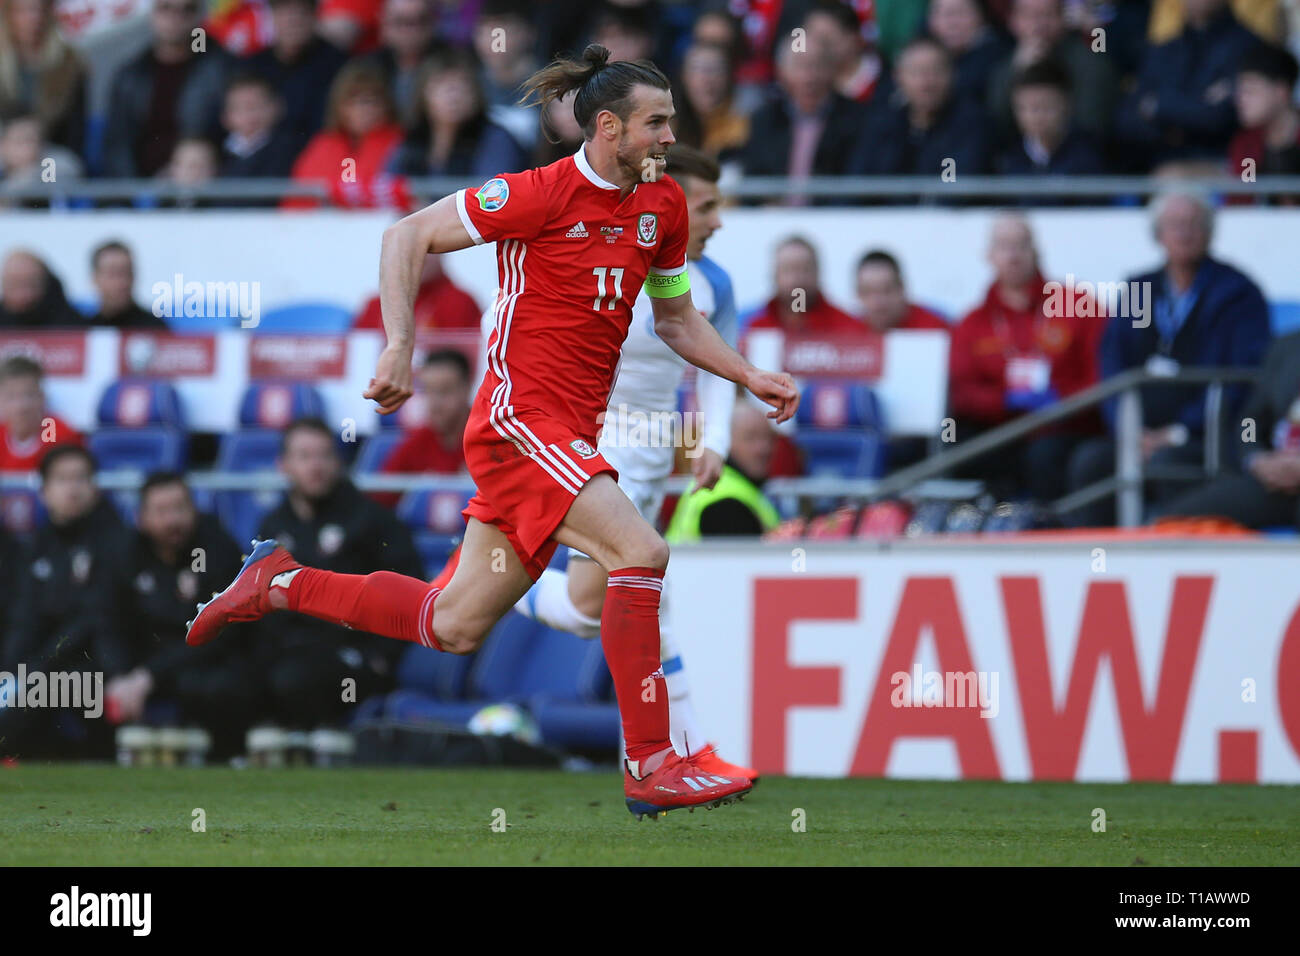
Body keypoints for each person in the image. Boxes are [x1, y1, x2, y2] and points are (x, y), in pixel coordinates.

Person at [186, 44, 798, 818]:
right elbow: (405, 236)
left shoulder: (663, 206)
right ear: (608, 128)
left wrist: (748, 375)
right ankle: (652, 762)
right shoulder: (535, 193)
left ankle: (279, 582)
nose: (670, 137)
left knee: (453, 624)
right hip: (518, 423)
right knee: (640, 552)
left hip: (569, 434)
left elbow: (677, 320)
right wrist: (401, 344)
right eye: (658, 123)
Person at [508, 143, 754, 777]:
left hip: (652, 450)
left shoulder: (710, 281)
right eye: (705, 207)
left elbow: (715, 363)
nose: (715, 221)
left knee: (621, 606)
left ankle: (680, 752)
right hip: (596, 441)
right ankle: (673, 755)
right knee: (625, 599)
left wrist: (715, 439)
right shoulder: (606, 254)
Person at [1065, 190, 1273, 524]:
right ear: (1159, 234)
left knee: (1169, 465)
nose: (1185, 233)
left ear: (1209, 232)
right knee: (1091, 461)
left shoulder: (1238, 293)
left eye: (1194, 224)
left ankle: (1170, 557)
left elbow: (1242, 378)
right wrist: (1130, 429)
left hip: (1206, 437)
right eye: (1175, 225)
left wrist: (1177, 432)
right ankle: (1100, 559)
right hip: (1138, 432)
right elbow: (1113, 364)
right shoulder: (1140, 289)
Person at [249, 418, 424, 728]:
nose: (316, 466)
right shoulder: (272, 526)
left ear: (338, 462)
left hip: (352, 655)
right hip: (287, 650)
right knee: (230, 679)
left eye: (324, 455)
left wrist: (381, 656)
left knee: (293, 680)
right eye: (304, 456)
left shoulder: (372, 520)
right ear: (283, 465)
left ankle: (316, 748)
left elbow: (411, 589)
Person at [948, 213, 1104, 500]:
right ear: (989, 255)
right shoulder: (973, 322)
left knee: (1045, 455)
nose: (1013, 255)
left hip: (1066, 427)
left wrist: (1061, 401)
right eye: (1004, 246)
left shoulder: (1078, 304)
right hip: (1001, 429)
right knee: (955, 443)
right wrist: (1004, 401)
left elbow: (1102, 375)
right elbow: (962, 391)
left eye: (1021, 245)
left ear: (1036, 251)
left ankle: (1049, 537)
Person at [106, 473, 258, 756]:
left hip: (205, 661)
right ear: (141, 517)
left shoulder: (218, 548)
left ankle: (226, 760)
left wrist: (149, 676)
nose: (172, 520)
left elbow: (220, 632)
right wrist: (119, 675)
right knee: (81, 681)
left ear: (194, 510)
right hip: (142, 664)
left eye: (180, 508)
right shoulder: (124, 552)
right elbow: (109, 621)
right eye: (161, 511)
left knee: (214, 686)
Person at [0, 446, 128, 758]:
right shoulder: (34, 546)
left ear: (95, 487)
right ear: (43, 491)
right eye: (62, 479)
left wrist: (35, 668)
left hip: (99, 665)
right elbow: (24, 618)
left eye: (81, 478)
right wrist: (10, 671)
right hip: (43, 666)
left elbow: (96, 616)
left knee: (46, 689)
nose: (73, 488)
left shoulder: (118, 542)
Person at [1152, 330, 1300, 528]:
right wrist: (1256, 458)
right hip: (1274, 480)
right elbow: (1251, 419)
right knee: (1175, 520)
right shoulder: (1287, 346)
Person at [1114, 0, 1258, 172]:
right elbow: (1126, 120)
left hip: (1225, 169)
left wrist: (1157, 107)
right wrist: (1171, 130)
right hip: (1158, 166)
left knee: (1171, 176)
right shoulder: (1162, 51)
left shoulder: (1250, 48)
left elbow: (1221, 117)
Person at [102, 0, 229, 178]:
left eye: (187, 9)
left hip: (202, 181)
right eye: (166, 8)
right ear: (152, 13)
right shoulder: (130, 74)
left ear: (199, 15)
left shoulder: (221, 68)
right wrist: (131, 195)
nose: (175, 17)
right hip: (143, 188)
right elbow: (117, 145)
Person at [849, 36, 992, 178]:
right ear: (898, 77)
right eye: (916, 72)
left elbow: (954, 185)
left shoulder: (970, 124)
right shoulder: (882, 126)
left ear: (953, 74)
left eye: (936, 71)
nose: (926, 83)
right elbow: (858, 185)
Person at [985, 0, 1119, 145]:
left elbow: (1092, 126)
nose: (1038, 24)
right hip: (1016, 160)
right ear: (1012, 22)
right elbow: (994, 126)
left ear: (1063, 19)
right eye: (1029, 15)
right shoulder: (1003, 64)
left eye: (1047, 15)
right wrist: (1014, 73)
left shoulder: (1091, 64)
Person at [384, 49, 528, 178]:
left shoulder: (497, 138)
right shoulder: (410, 140)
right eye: (441, 84)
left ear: (476, 94)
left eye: (462, 84)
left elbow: (491, 198)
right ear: (423, 95)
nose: (453, 95)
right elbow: (387, 189)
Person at [284, 61, 404, 209]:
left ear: (386, 105)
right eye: (353, 101)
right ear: (339, 105)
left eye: (371, 101)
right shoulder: (322, 146)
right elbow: (298, 200)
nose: (363, 110)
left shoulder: (401, 144)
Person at [666, 401, 782, 540]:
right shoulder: (725, 503)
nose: (764, 448)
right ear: (725, 441)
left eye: (768, 438)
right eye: (750, 438)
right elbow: (740, 559)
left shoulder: (726, 484)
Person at [245, 0, 348, 148]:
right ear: (272, 16)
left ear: (315, 16)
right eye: (284, 11)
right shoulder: (253, 66)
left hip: (317, 153)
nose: (293, 19)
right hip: (263, 157)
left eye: (301, 11)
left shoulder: (339, 64)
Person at [0, 0, 88, 157]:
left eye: (39, 11)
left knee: (60, 170)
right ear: (9, 15)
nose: (33, 19)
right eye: (23, 11)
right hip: (5, 157)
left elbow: (75, 138)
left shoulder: (70, 65)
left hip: (51, 156)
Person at [997, 60, 1105, 182]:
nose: (1036, 116)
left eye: (1046, 106)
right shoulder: (1009, 159)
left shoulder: (1089, 155)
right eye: (1026, 108)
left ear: (1067, 105)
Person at [744, 236, 867, 335]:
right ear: (775, 275)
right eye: (788, 270)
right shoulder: (754, 330)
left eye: (805, 269)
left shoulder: (849, 329)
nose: (797, 279)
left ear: (818, 273)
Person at [380, 348, 472, 478]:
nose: (435, 402)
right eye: (427, 391)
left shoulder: (490, 437)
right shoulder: (416, 443)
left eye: (444, 391)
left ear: (467, 388)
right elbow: (381, 494)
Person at [1228, 42, 1300, 198]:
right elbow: (1245, 198)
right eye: (1240, 91)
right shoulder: (1246, 145)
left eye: (1250, 91)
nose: (1240, 100)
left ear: (1281, 92)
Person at [352, 251, 480, 330]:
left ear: (444, 249)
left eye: (427, 247)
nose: (417, 257)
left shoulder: (461, 303)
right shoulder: (375, 307)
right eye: (406, 248)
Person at [0, 355, 79, 471]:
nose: (22, 406)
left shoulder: (57, 433)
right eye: (11, 397)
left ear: (42, 397)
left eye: (29, 395)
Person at [217, 73, 301, 181]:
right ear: (226, 116)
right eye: (241, 107)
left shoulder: (290, 149)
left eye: (258, 105)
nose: (251, 114)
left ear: (278, 107)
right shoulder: (216, 152)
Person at [855, 250, 949, 333]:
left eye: (887, 290)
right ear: (858, 294)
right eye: (868, 292)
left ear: (902, 288)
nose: (878, 302)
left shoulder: (934, 330)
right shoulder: (849, 333)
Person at [87, 240, 167, 329]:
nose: (121, 282)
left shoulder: (155, 329)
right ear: (95, 278)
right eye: (112, 274)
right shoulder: (81, 331)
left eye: (126, 272)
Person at [0, 249, 83, 328]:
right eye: (14, 285)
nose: (21, 294)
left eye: (29, 285)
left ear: (44, 285)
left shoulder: (72, 326)